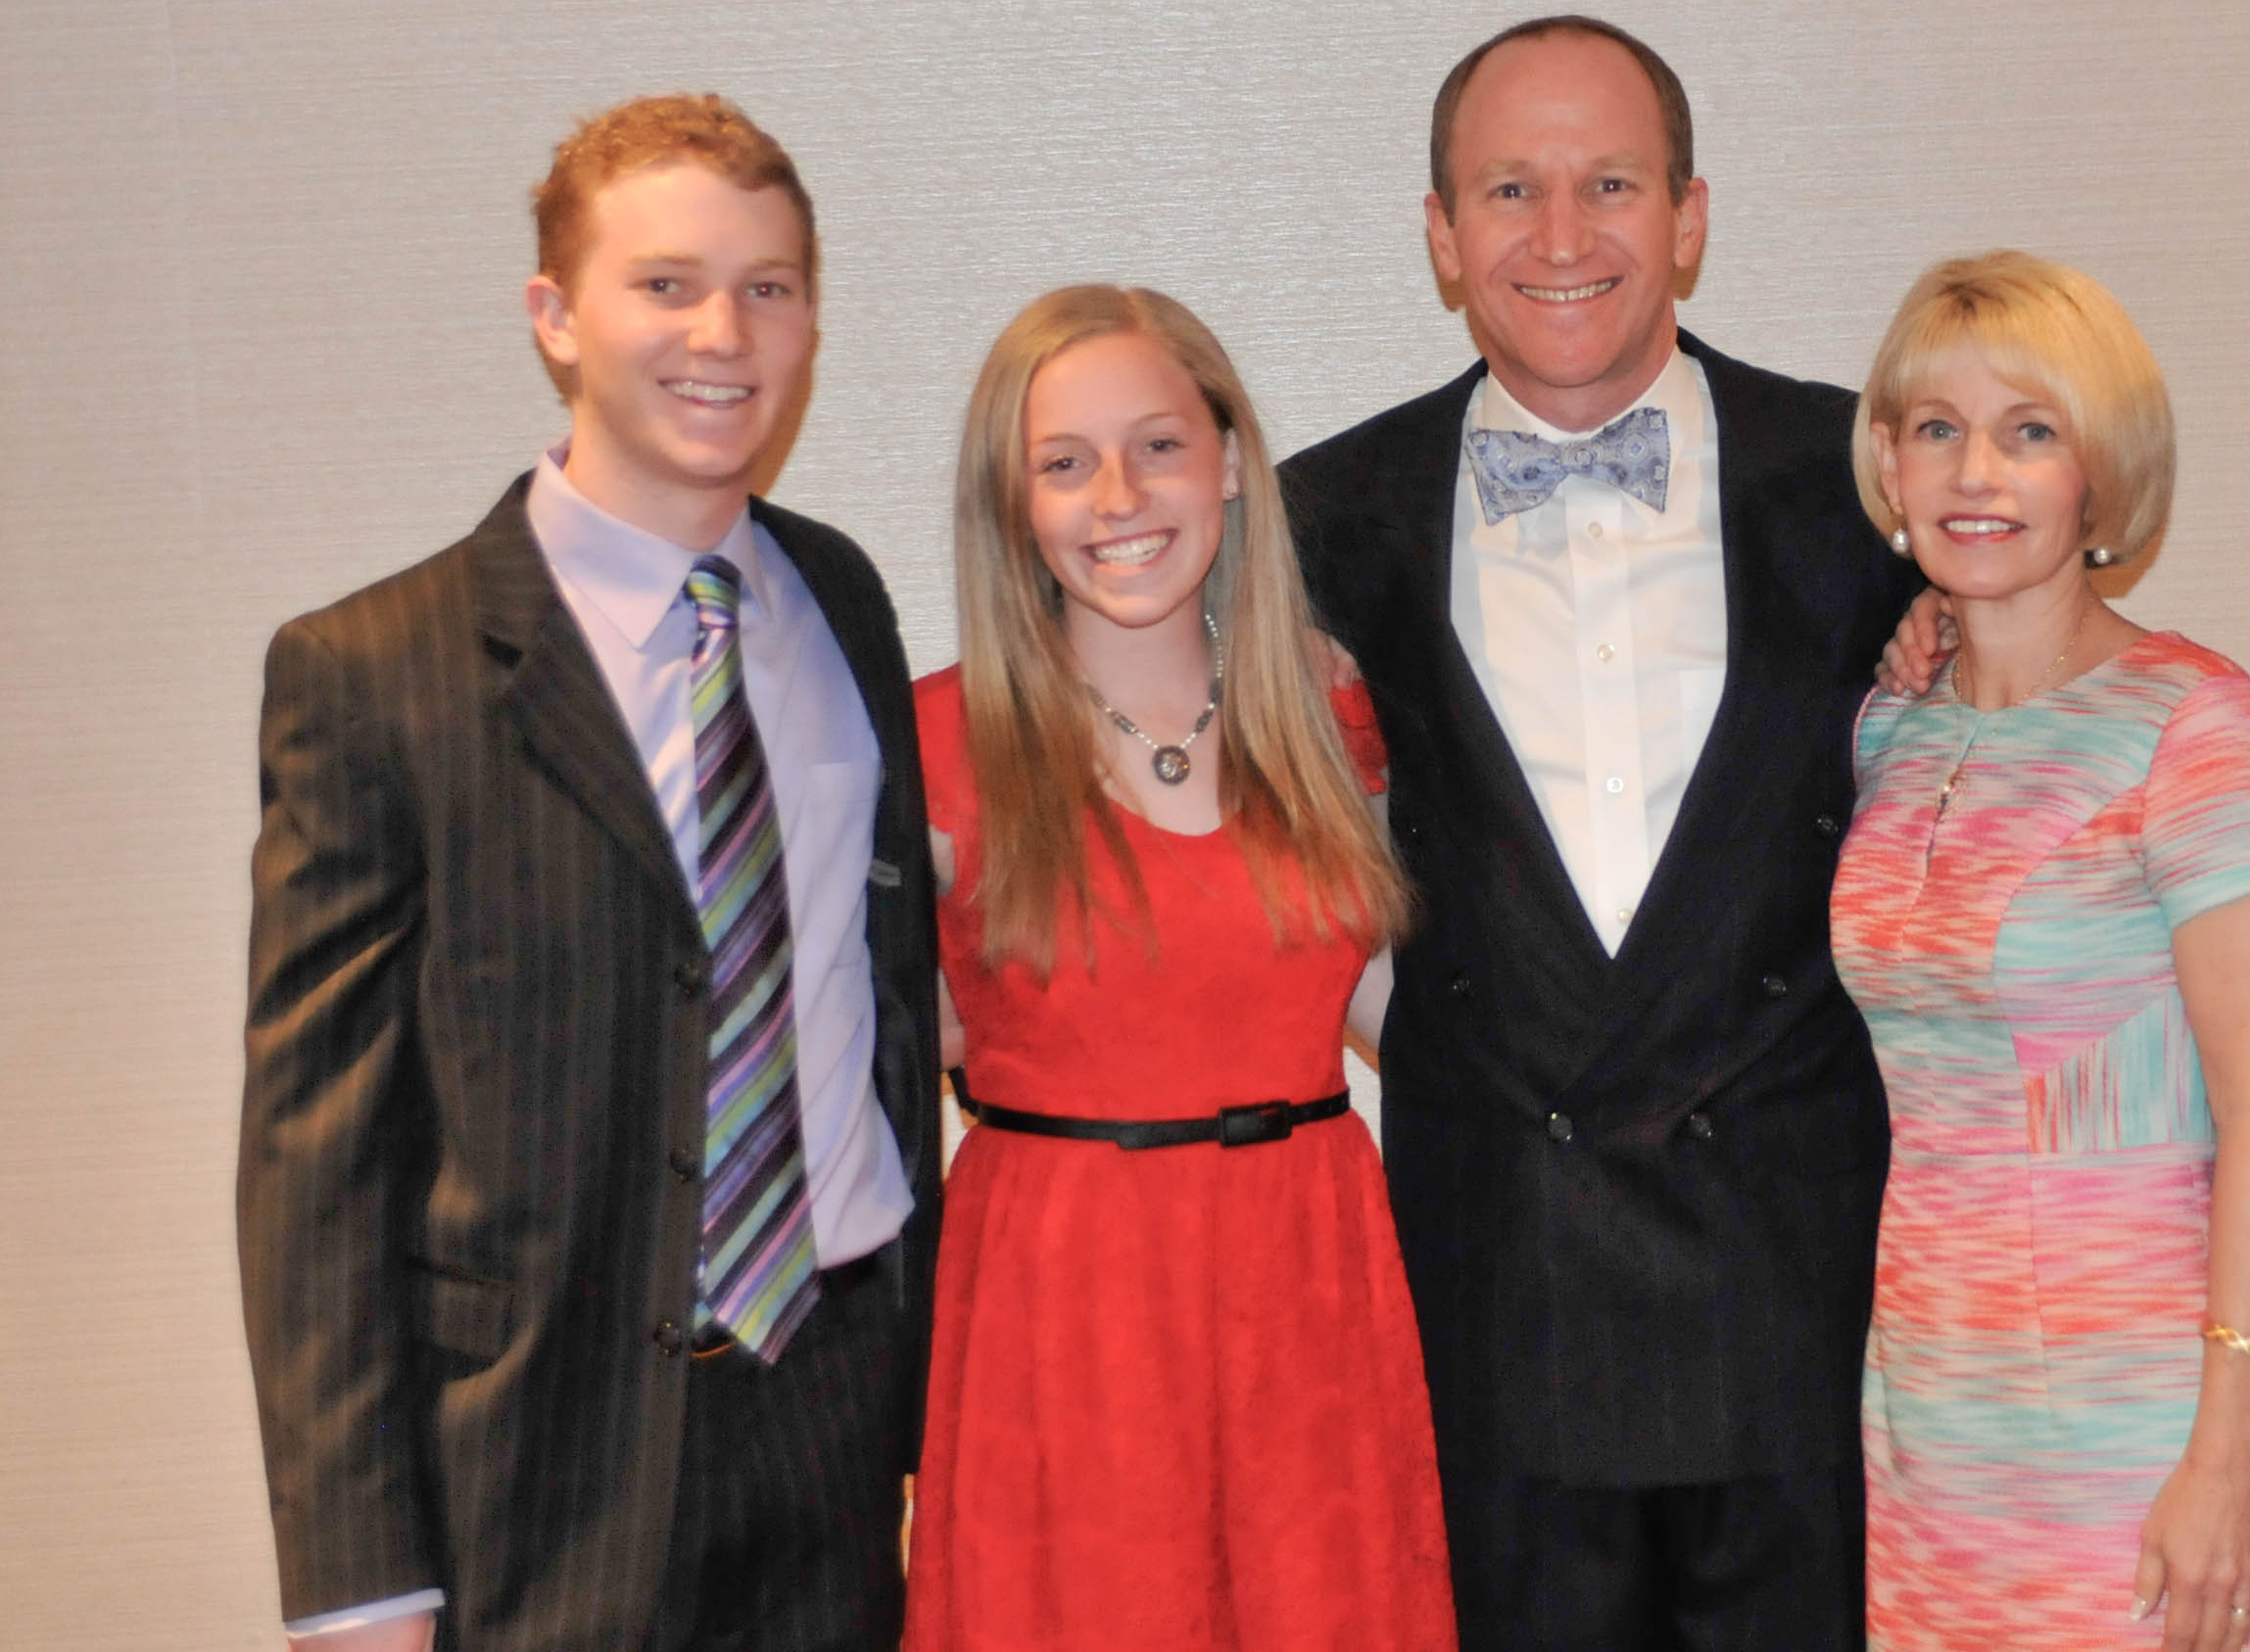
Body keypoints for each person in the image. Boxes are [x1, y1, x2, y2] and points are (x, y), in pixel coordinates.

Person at [237, 95, 942, 1651]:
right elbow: (317, 1169)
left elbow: (874, 989)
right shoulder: (377, 674)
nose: (725, 331)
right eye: (667, 283)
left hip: (834, 1414)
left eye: (769, 286)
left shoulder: (842, 603)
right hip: (542, 1466)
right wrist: (361, 1582)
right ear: (555, 317)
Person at [1281, 17, 1921, 1649]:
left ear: (1692, 218)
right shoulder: (1310, 525)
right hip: (1498, 1304)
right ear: (1440, 235)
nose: (1560, 239)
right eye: (1509, 189)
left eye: (1611, 184)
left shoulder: (1874, 484)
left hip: (1808, 1307)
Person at [903, 284, 1455, 1651]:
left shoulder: (1329, 717)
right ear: (1012, 505)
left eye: (1157, 444)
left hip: (1310, 1309)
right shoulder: (931, 746)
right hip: (1066, 1322)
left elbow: (1393, 1009)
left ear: (1226, 460)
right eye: (1063, 462)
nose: (1118, 496)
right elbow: (877, 1051)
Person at [1833, 252, 2250, 1652]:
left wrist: (2228, 1453)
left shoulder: (2202, 727)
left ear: (2099, 472)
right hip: (1929, 1411)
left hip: (2142, 1414)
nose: (1977, 473)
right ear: (1888, 459)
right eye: (1939, 429)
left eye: (2029, 431)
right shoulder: (1889, 728)